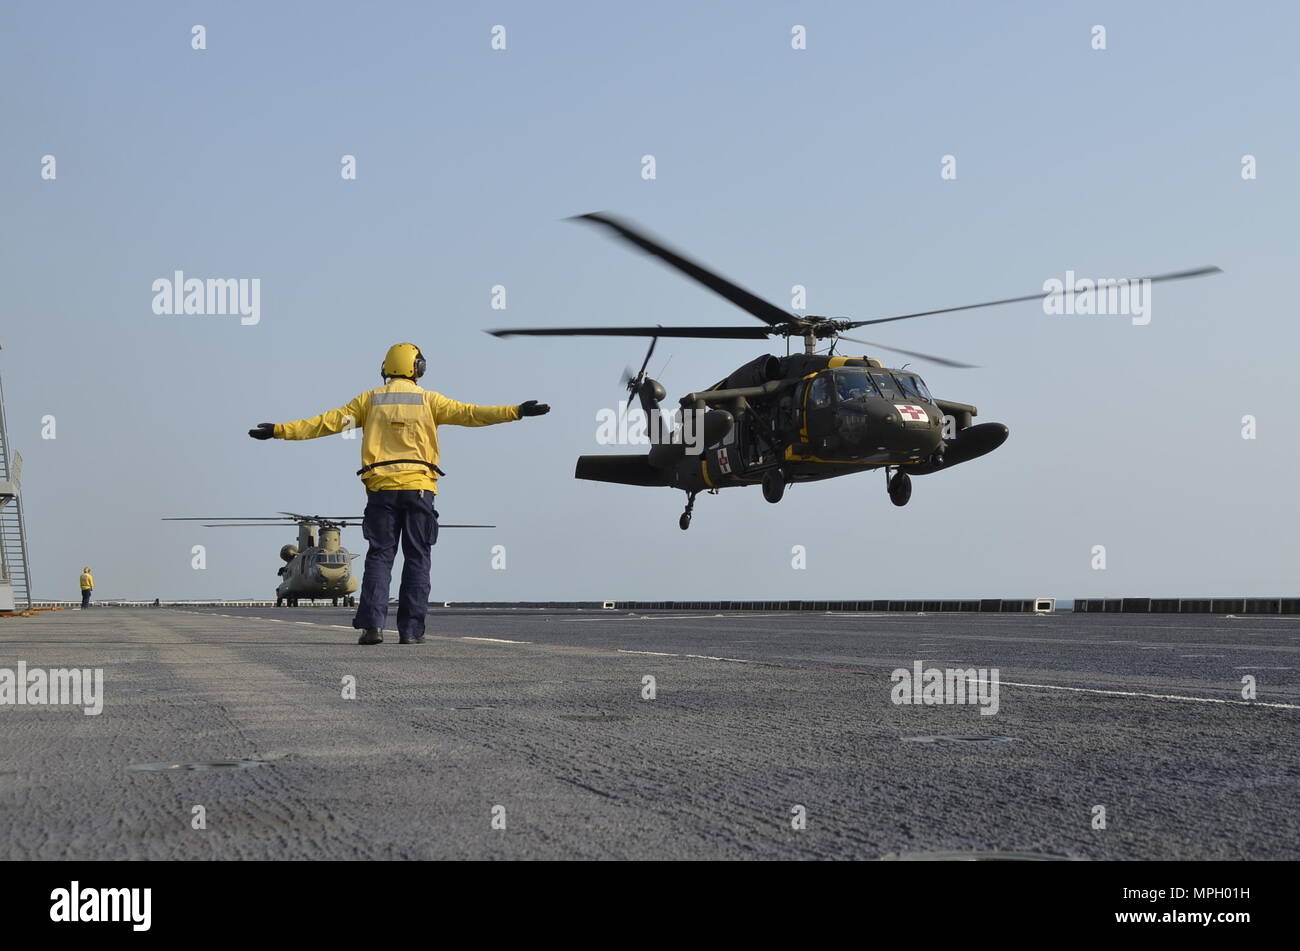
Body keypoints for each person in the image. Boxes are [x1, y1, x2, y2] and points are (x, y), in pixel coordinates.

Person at [248, 342, 549, 645]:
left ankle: (372, 628)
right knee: (418, 557)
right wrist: (517, 411)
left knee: (380, 556)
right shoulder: (430, 400)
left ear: (385, 368)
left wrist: (278, 430)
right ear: (418, 368)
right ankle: (411, 631)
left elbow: (324, 423)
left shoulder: (368, 401)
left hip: (381, 492)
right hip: (419, 490)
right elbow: (472, 414)